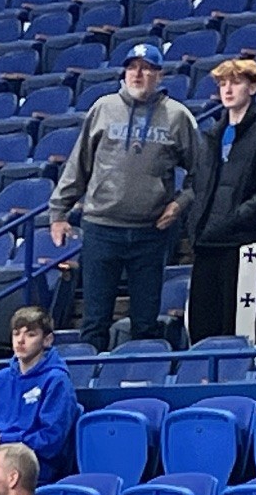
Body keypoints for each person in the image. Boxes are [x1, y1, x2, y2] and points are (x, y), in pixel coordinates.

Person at [48, 42, 199, 352]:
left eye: (146, 68)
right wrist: (59, 213)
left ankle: (138, 383)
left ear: (159, 74)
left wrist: (180, 203)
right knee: (94, 320)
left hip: (151, 233)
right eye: (132, 67)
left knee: (145, 322)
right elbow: (79, 164)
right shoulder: (103, 108)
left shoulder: (177, 116)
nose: (138, 74)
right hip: (101, 228)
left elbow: (203, 172)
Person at [185, 57, 256, 343]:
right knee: (202, 326)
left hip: (242, 245)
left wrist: (235, 218)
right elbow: (195, 185)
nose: (227, 89)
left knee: (237, 327)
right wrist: (194, 222)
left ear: (253, 88)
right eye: (222, 84)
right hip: (206, 243)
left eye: (235, 82)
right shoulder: (210, 137)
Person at [0, 306, 78, 481]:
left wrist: (3, 440)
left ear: (47, 340)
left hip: (34, 459)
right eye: (16, 333)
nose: (20, 340)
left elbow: (51, 440)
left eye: (30, 334)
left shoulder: (56, 381)